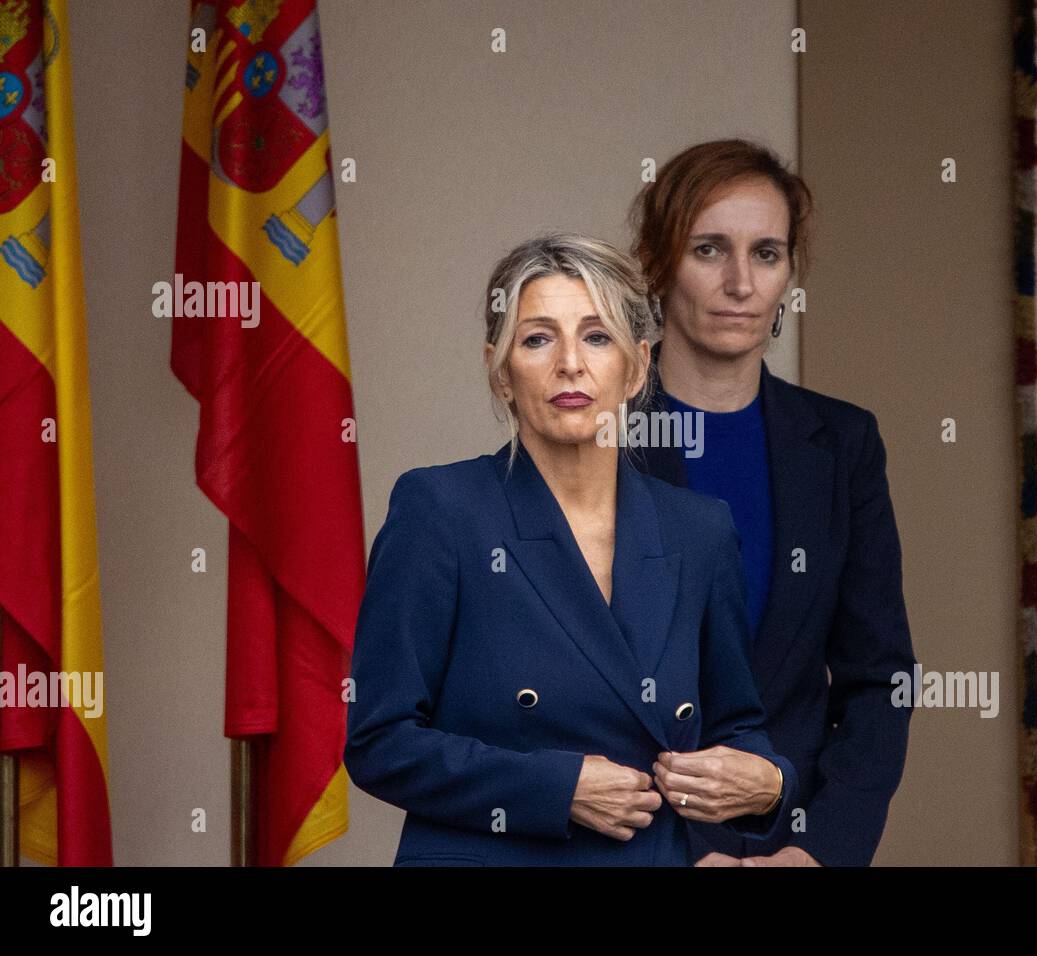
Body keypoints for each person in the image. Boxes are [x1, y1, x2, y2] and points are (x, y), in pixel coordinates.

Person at [344, 233, 796, 865]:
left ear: (638, 366)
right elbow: (379, 741)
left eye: (596, 335)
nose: (569, 364)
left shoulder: (700, 531)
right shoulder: (441, 510)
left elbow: (735, 726)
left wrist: (772, 783)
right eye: (537, 338)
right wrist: (556, 789)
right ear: (500, 372)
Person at [629, 139, 916, 867]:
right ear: (658, 265)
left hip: (792, 848)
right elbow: (554, 688)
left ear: (789, 272)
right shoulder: (596, 437)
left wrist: (820, 851)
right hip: (634, 847)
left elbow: (879, 679)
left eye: (765, 253)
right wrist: (687, 851)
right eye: (708, 249)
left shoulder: (844, 442)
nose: (739, 282)